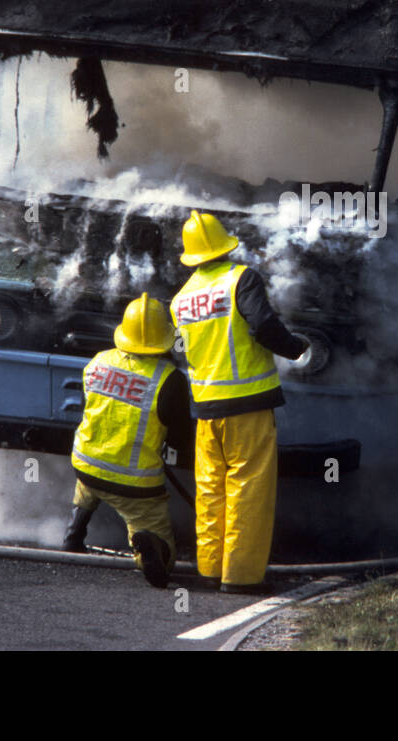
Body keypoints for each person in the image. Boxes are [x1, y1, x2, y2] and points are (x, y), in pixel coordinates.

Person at [170, 210, 308, 594]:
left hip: (206, 411)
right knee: (247, 488)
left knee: (211, 489)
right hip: (247, 406)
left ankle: (210, 568)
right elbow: (263, 325)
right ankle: (241, 576)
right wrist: (296, 348)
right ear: (224, 245)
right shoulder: (240, 278)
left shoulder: (180, 300)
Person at [62, 293, 191, 589]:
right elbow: (181, 437)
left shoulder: (98, 362)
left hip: (86, 464)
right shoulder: (171, 379)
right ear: (166, 338)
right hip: (135, 487)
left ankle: (73, 533)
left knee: (90, 483)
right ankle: (147, 544)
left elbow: (93, 410)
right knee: (163, 556)